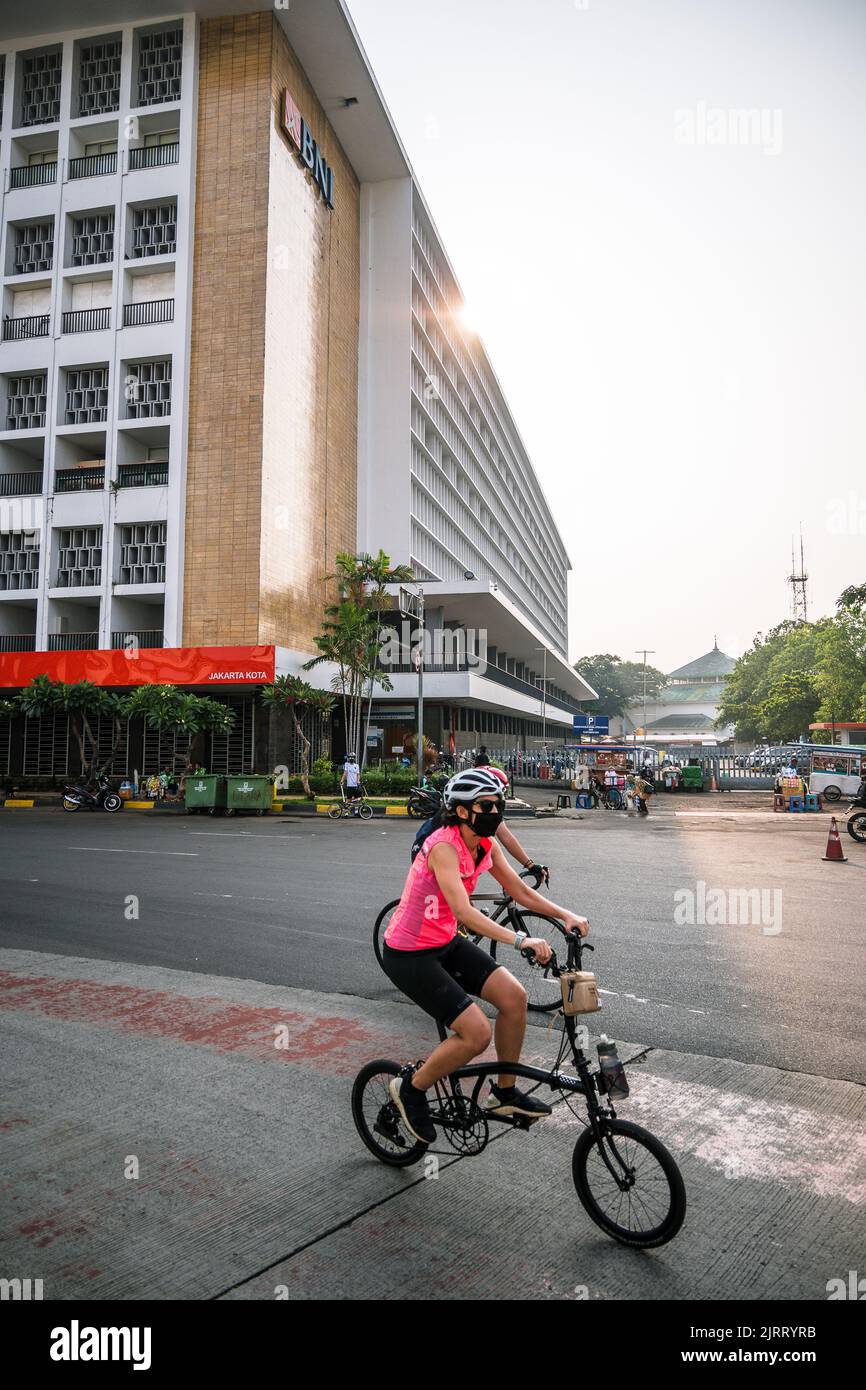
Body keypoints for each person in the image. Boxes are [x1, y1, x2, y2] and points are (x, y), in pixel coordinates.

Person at [380, 767, 589, 1143]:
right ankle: (410, 1088)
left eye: (498, 804)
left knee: (514, 998)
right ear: (462, 811)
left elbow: (520, 893)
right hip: (409, 954)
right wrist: (519, 940)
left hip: (443, 943)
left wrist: (566, 914)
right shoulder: (444, 847)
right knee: (476, 1033)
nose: (495, 811)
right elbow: (464, 913)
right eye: (486, 805)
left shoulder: (485, 845)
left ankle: (503, 1093)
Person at [410, 765, 548, 883]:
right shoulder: (470, 812)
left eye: (500, 803)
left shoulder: (482, 824)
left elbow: (519, 890)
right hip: (426, 851)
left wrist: (529, 865)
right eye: (488, 804)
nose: (495, 808)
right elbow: (506, 837)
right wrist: (529, 865)